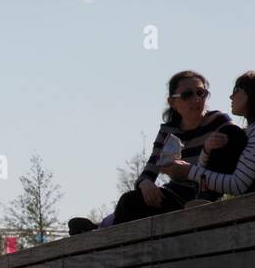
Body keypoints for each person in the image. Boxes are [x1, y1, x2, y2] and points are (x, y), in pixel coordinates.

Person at [98, 70, 235, 229]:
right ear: (172, 102)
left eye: (201, 93)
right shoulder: (168, 131)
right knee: (130, 200)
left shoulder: (219, 122)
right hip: (174, 197)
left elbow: (236, 151)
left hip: (204, 199)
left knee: (130, 204)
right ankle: (102, 229)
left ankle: (101, 228)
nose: (196, 99)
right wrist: (146, 184)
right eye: (187, 95)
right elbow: (148, 173)